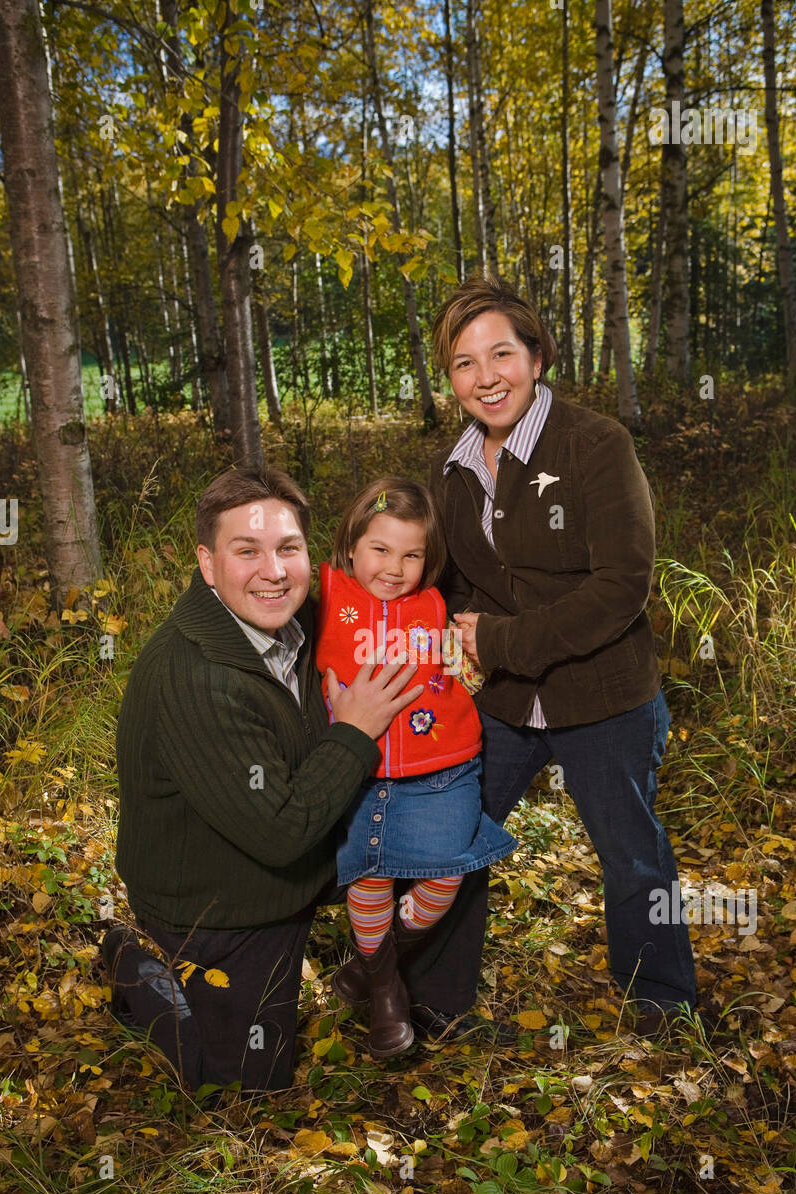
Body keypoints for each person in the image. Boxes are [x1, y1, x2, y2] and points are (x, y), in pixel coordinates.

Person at [426, 275, 697, 1035]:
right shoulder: (451, 470)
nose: (487, 377)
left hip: (604, 696)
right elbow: (446, 584)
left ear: (536, 356)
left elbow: (623, 584)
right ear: (450, 379)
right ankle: (438, 1002)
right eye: (464, 363)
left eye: (501, 353)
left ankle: (664, 1007)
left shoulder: (594, 443)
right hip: (504, 702)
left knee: (632, 855)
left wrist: (501, 638)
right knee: (454, 840)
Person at [107, 466, 428, 1094]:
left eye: (288, 548)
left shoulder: (308, 620)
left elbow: (397, 582)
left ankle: (404, 986)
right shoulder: (194, 677)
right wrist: (356, 730)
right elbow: (281, 834)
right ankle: (136, 966)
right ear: (207, 564)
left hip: (304, 854)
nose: (274, 571)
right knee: (248, 1081)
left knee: (450, 849)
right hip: (222, 901)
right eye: (246, 551)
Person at [314, 478, 516, 1057]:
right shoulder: (326, 594)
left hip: (440, 769)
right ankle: (386, 997)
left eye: (411, 554)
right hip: (358, 769)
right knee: (370, 875)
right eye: (380, 549)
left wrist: (469, 665)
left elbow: (462, 667)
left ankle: (370, 967)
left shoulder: (434, 605)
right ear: (351, 546)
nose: (394, 568)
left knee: (448, 870)